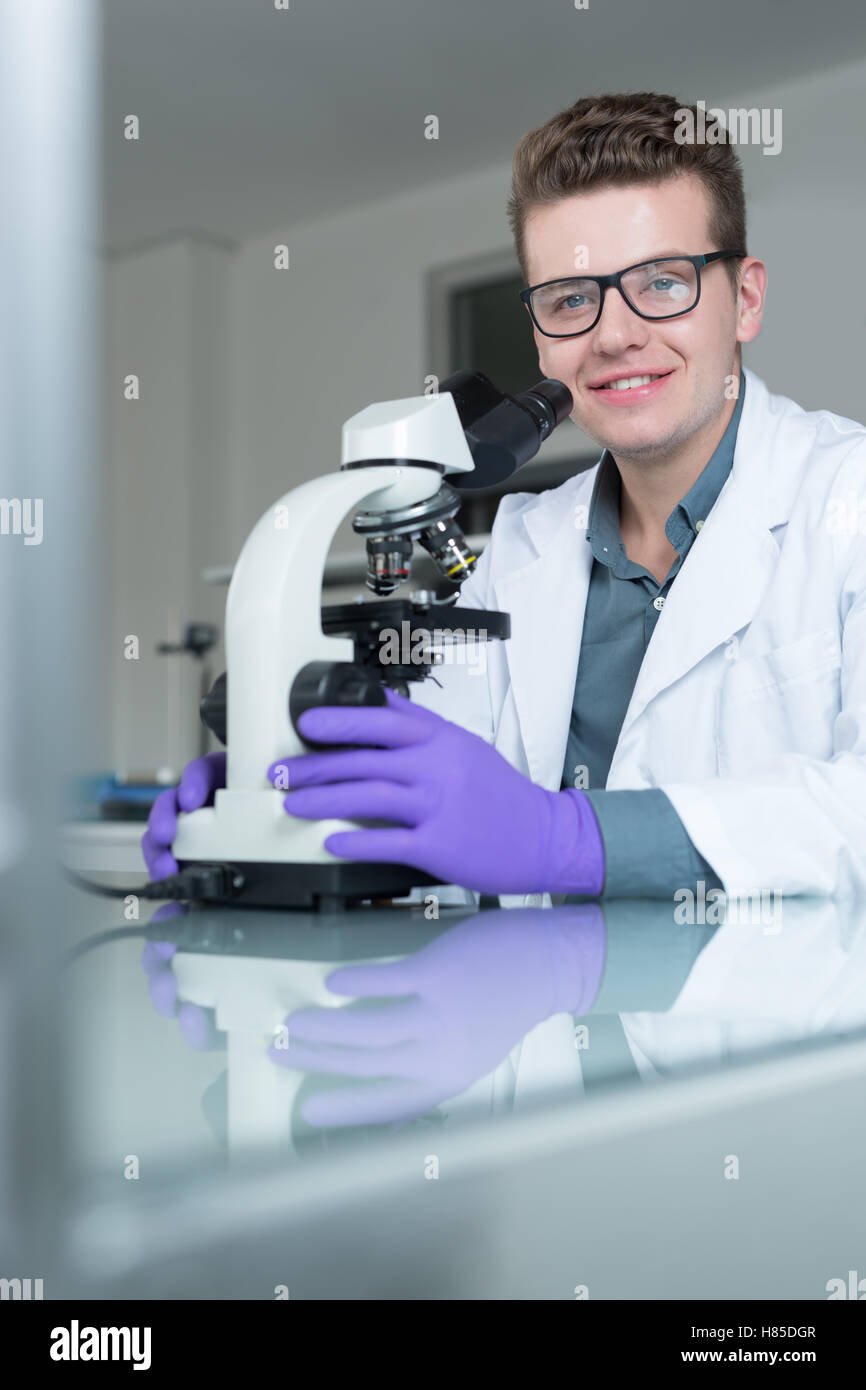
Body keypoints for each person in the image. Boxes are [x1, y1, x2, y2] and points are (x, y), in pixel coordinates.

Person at [143, 91, 866, 904]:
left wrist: (568, 839)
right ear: (539, 336)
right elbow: (445, 790)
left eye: (664, 283)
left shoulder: (849, 499)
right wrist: (285, 785)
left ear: (747, 299)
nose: (615, 335)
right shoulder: (521, 546)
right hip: (545, 985)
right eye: (570, 299)